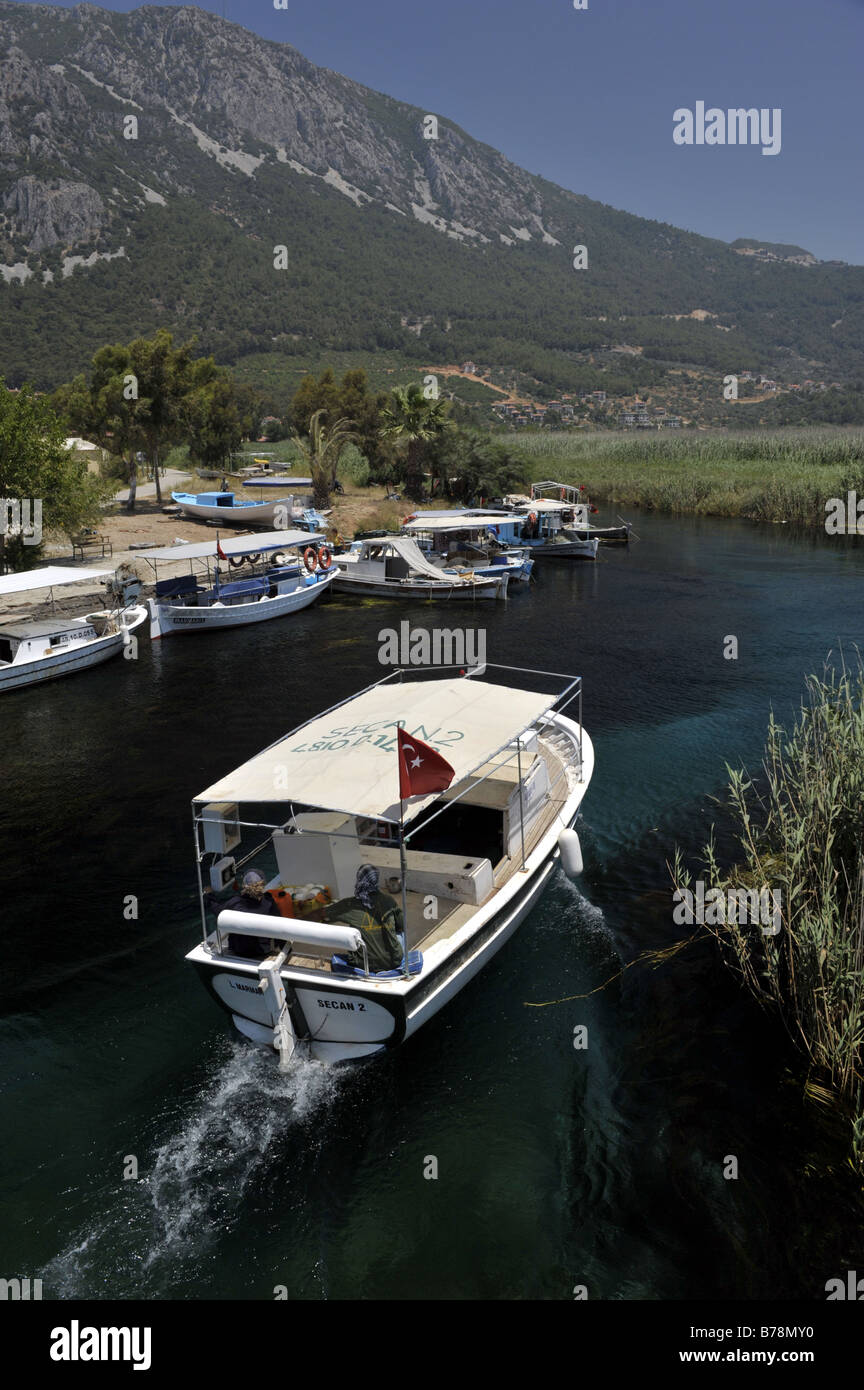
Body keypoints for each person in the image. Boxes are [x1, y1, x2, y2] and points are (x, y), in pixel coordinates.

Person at [325, 864, 404, 973]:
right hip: (394, 961)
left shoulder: (349, 905)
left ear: (359, 880)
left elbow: (322, 915)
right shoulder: (389, 900)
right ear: (376, 880)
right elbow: (402, 925)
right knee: (400, 934)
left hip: (364, 964)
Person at [204, 869, 282, 958]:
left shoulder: (236, 902)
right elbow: (278, 923)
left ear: (244, 886)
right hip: (262, 951)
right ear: (262, 884)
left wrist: (209, 895)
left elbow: (218, 911)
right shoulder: (269, 902)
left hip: (238, 951)